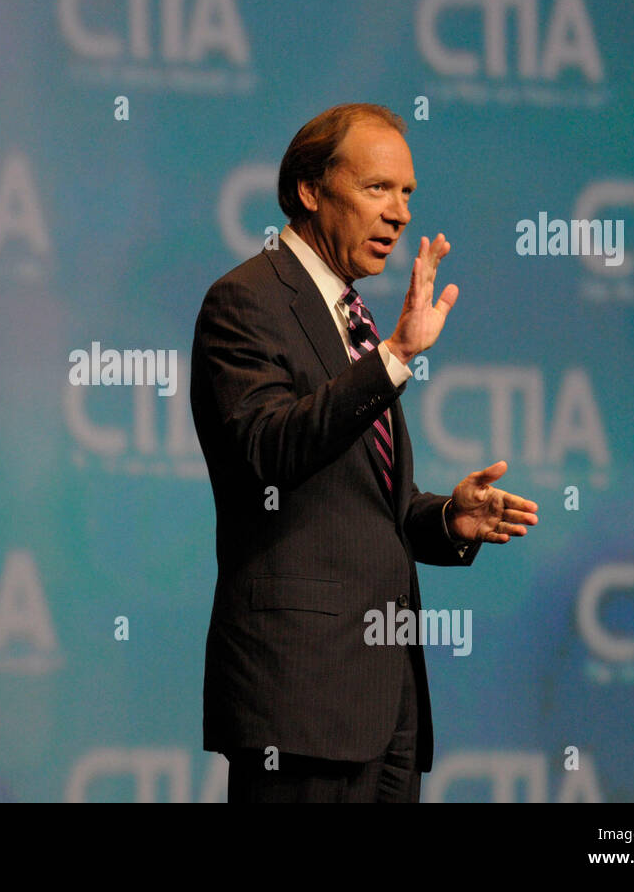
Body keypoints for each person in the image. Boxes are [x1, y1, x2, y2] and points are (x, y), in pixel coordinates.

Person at [190, 103, 539, 803]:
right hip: (299, 697)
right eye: (379, 188)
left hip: (387, 704)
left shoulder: (350, 315)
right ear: (311, 190)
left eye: (408, 193)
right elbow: (269, 449)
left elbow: (357, 500)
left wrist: (446, 519)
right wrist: (397, 356)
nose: (401, 213)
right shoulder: (246, 300)